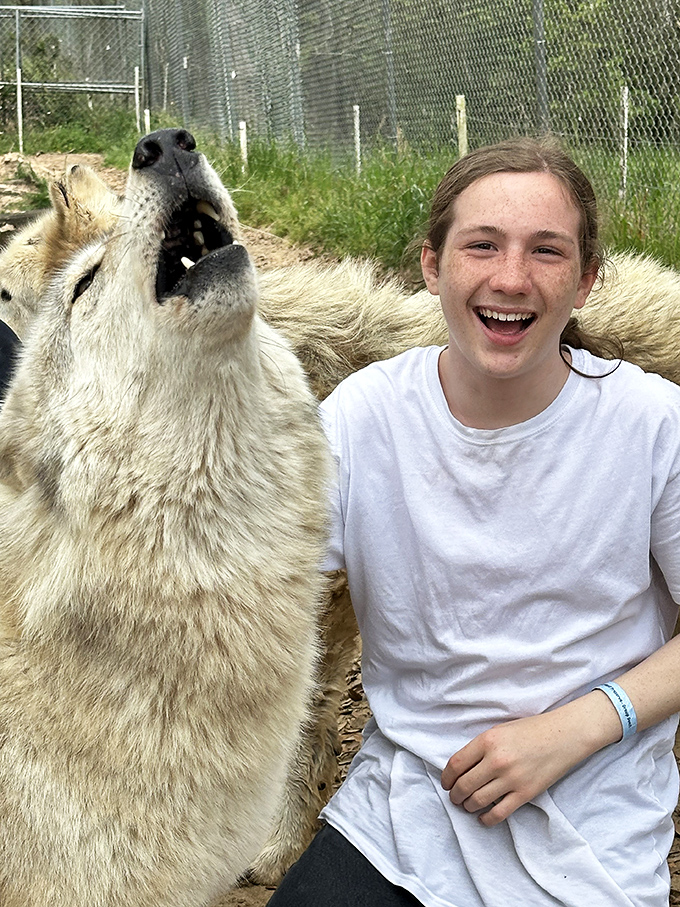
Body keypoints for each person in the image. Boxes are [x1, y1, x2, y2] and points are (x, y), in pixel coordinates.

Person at [267, 136, 680, 907]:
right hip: (398, 815)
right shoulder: (363, 416)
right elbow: (250, 590)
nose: (511, 278)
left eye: (547, 250)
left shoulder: (653, 425)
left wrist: (583, 724)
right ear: (432, 266)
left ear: (588, 280)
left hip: (588, 837)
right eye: (482, 245)